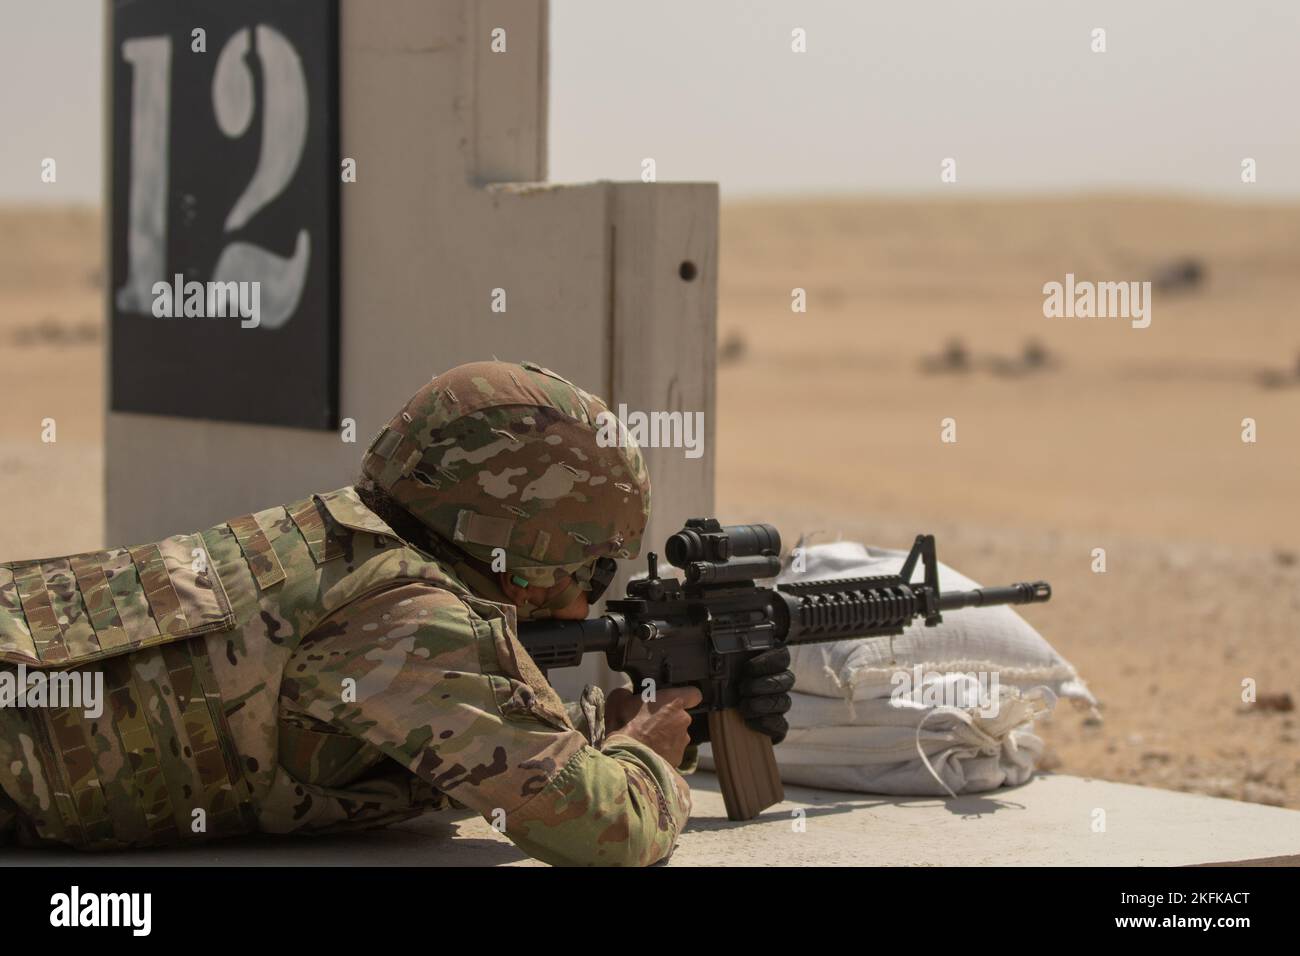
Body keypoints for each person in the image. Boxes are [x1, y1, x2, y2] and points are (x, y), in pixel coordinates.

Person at [0, 360, 792, 866]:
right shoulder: (412, 619)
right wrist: (648, 749)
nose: (587, 594)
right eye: (590, 564)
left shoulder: (339, 537)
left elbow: (441, 740)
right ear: (526, 539)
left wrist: (592, 729)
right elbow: (603, 828)